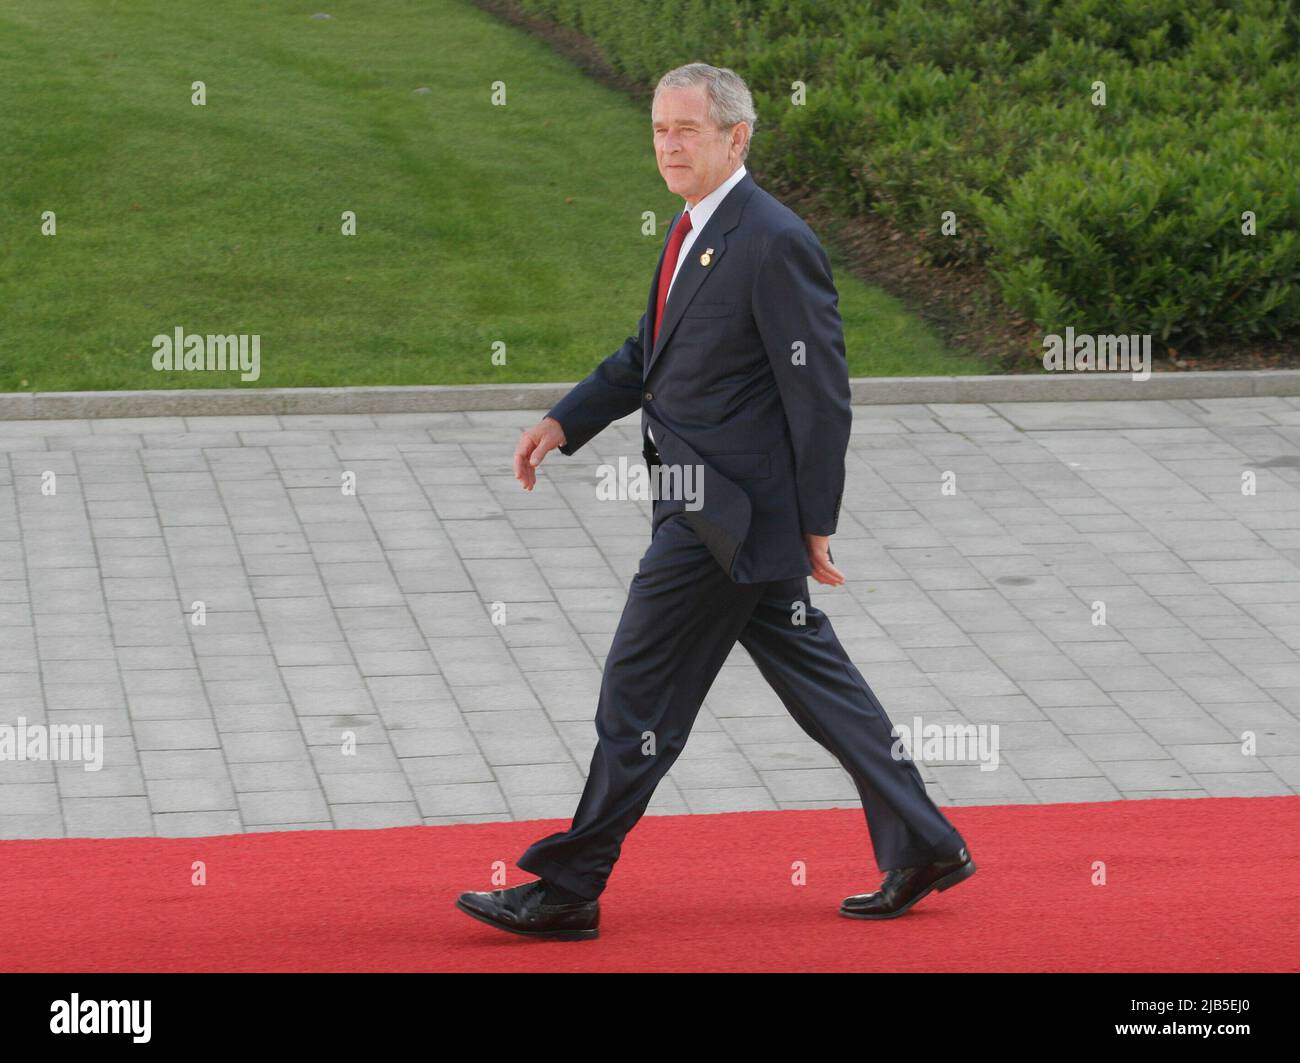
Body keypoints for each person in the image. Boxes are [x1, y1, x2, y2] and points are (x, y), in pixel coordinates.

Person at [456, 62, 974, 941]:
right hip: (711, 507)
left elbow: (822, 394)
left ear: (737, 137)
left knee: (637, 694)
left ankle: (570, 885)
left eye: (685, 130)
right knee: (823, 686)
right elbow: (648, 353)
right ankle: (926, 842)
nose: (667, 145)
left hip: (724, 523)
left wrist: (816, 522)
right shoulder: (696, 225)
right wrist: (565, 419)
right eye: (659, 129)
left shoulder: (772, 239)